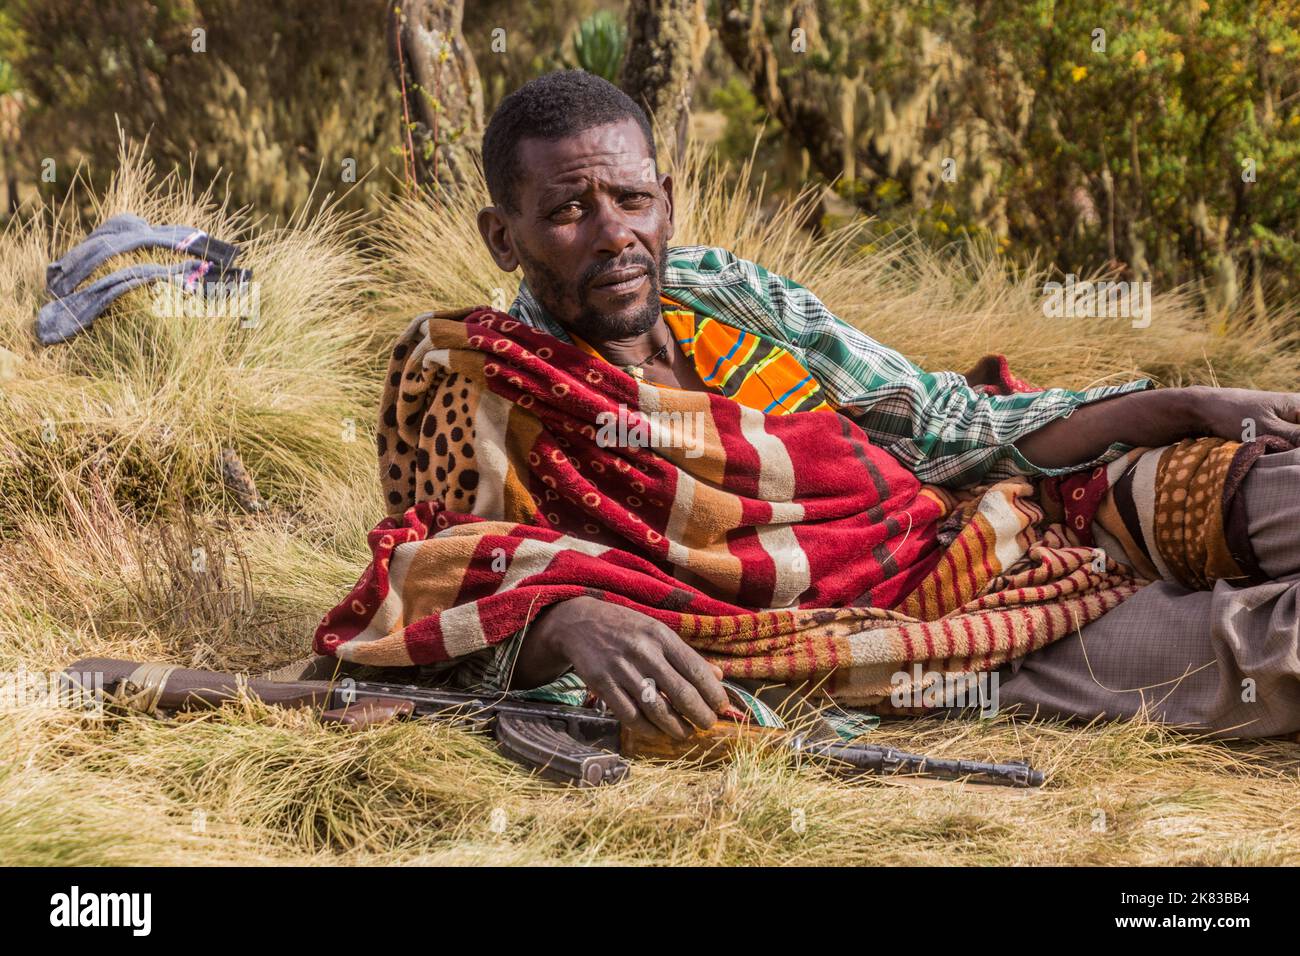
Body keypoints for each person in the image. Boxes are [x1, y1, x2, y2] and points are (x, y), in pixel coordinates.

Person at [395, 70, 1300, 742]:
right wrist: (561, 623)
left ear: (666, 201)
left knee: (1275, 480)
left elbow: (937, 420)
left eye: (633, 198)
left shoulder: (723, 292)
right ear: (501, 237)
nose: (614, 234)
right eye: (568, 210)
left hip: (1010, 513)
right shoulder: (481, 389)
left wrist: (1180, 404)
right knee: (1271, 654)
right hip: (931, 635)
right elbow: (438, 589)